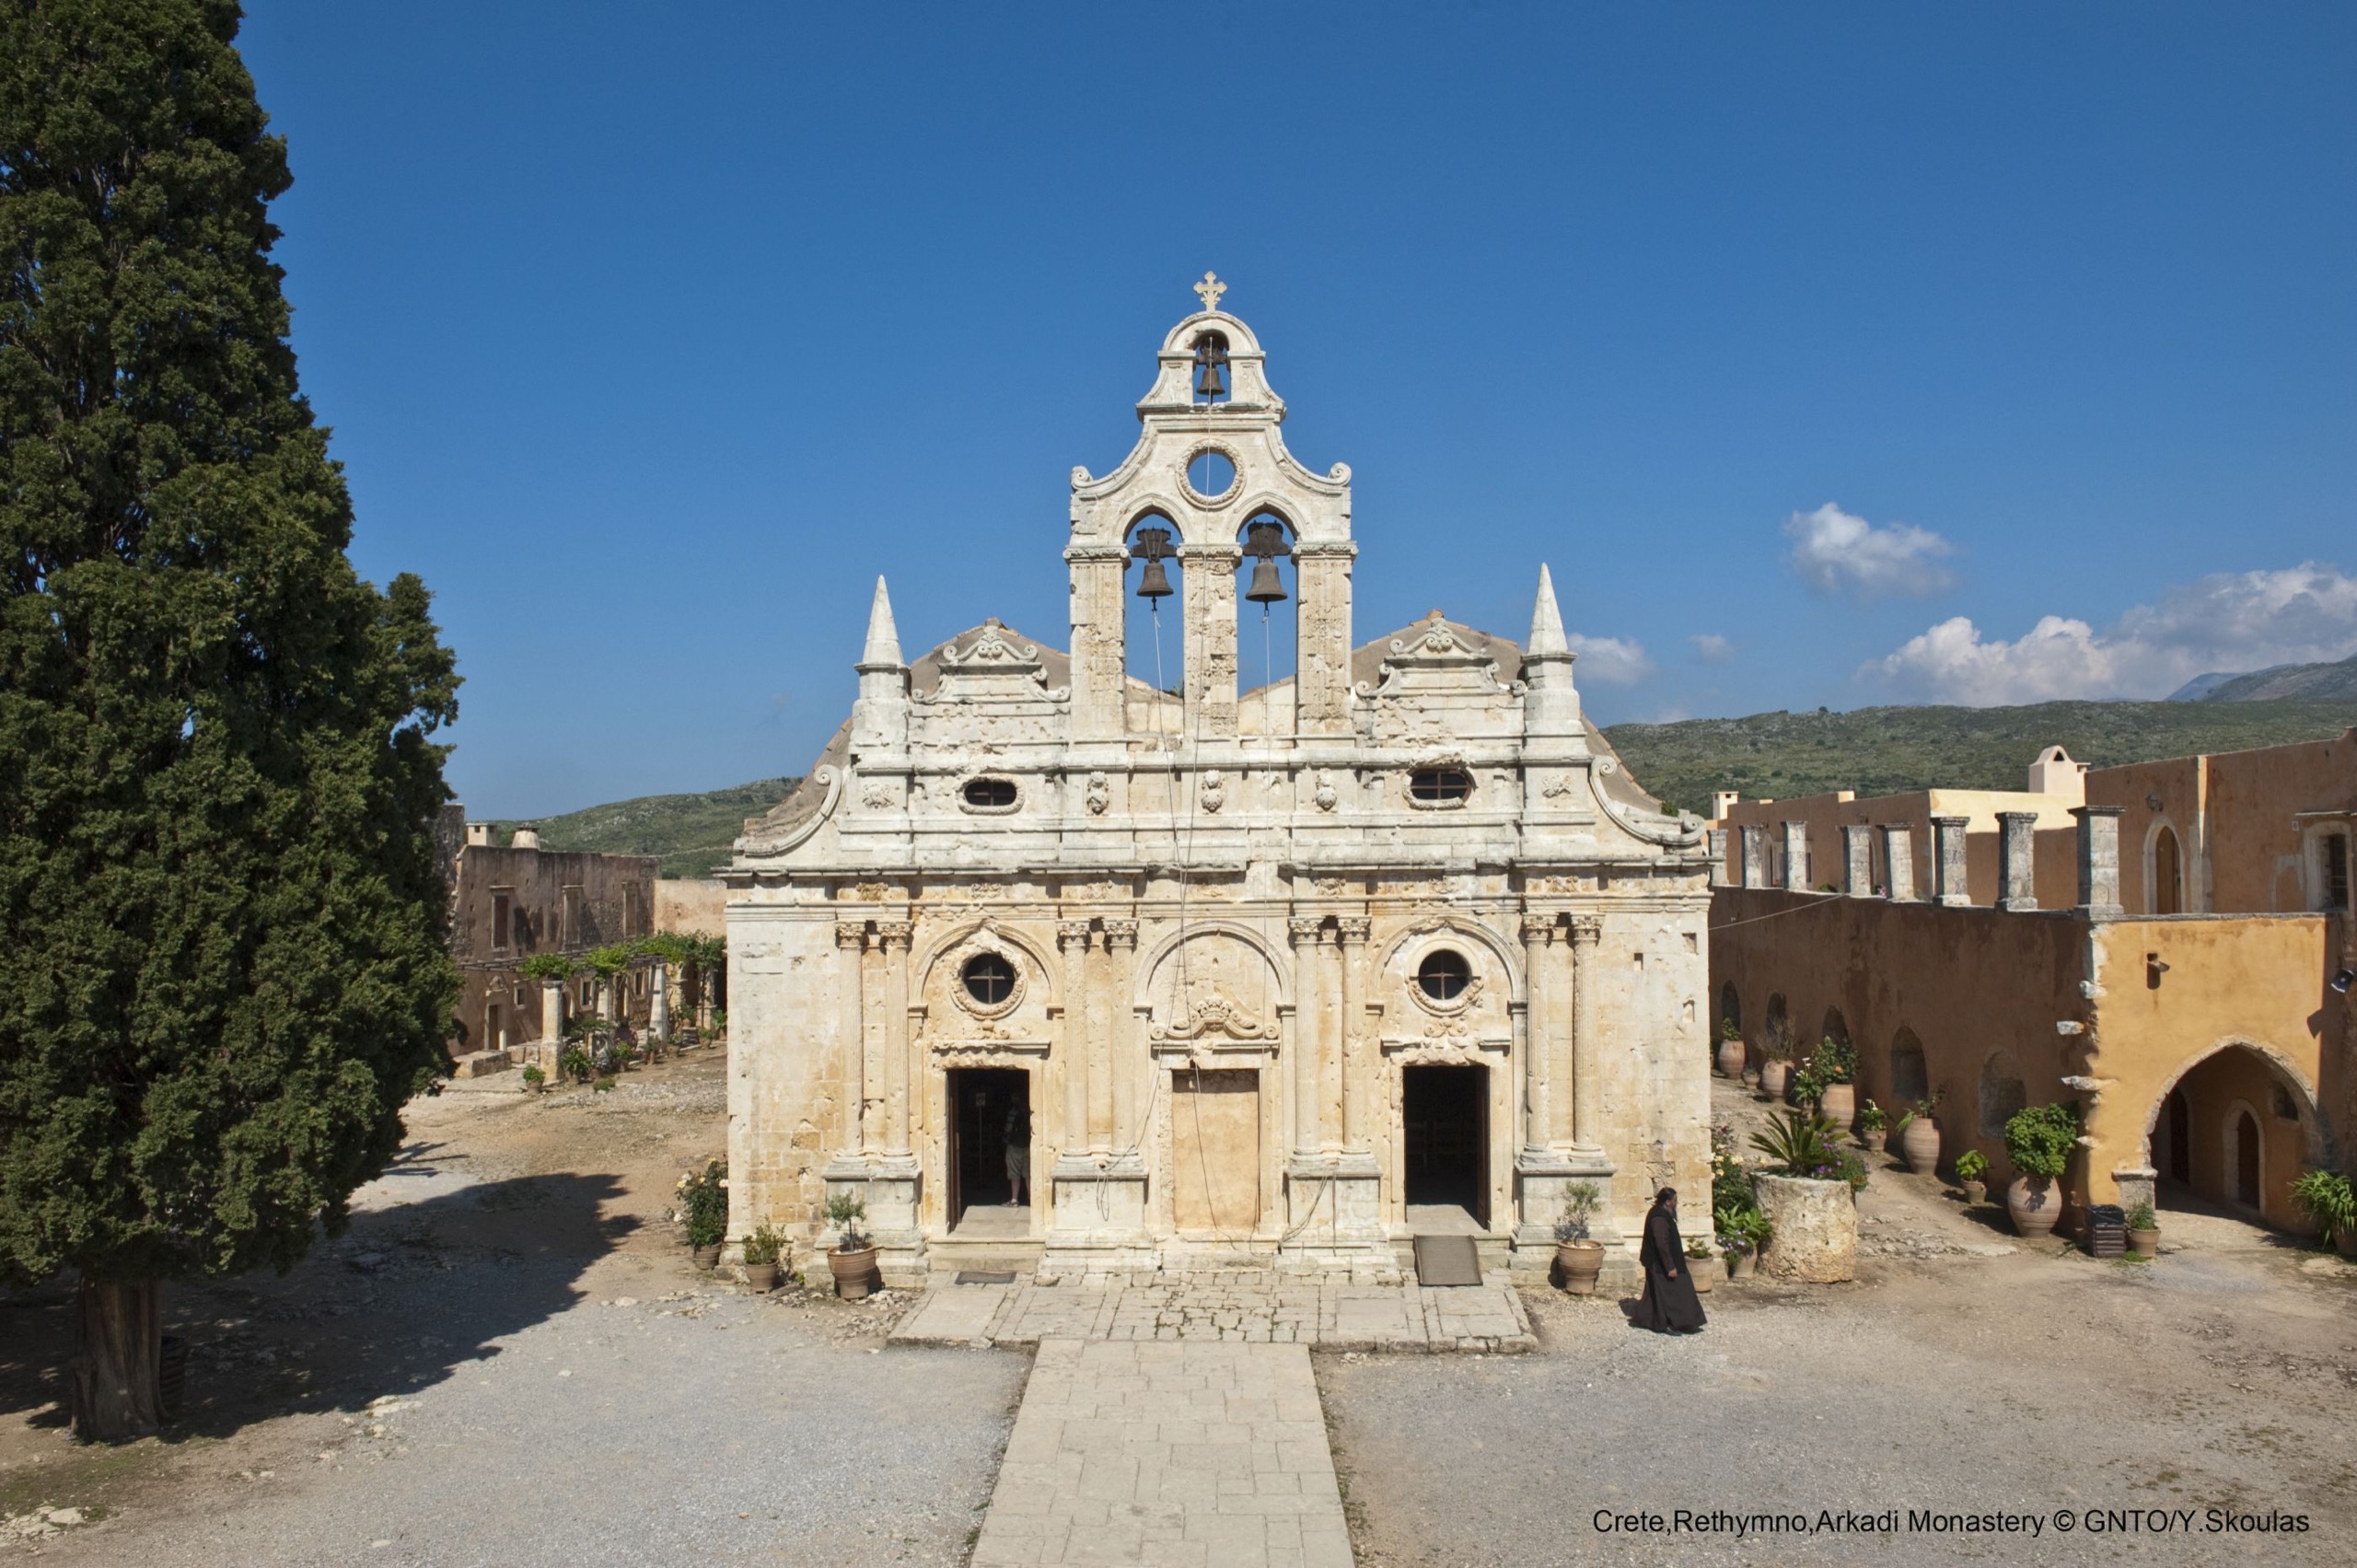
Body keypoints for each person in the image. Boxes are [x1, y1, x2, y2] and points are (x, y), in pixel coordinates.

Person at [1631, 1187, 1707, 1334]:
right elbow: (1661, 1244)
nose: (1676, 1203)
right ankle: (1670, 1323)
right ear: (1667, 1202)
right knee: (1671, 1293)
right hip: (1660, 1264)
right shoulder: (1659, 1217)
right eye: (1674, 1200)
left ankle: (1647, 1319)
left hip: (1663, 1263)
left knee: (1657, 1293)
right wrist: (1670, 1267)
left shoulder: (1661, 1214)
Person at [1002, 1098, 1031, 1206]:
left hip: (1014, 1145)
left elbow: (1008, 1128)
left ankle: (1014, 1199)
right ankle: (1031, 1198)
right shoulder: (1029, 1110)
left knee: (1014, 1174)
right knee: (1028, 1174)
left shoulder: (1013, 1111)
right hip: (1028, 1145)